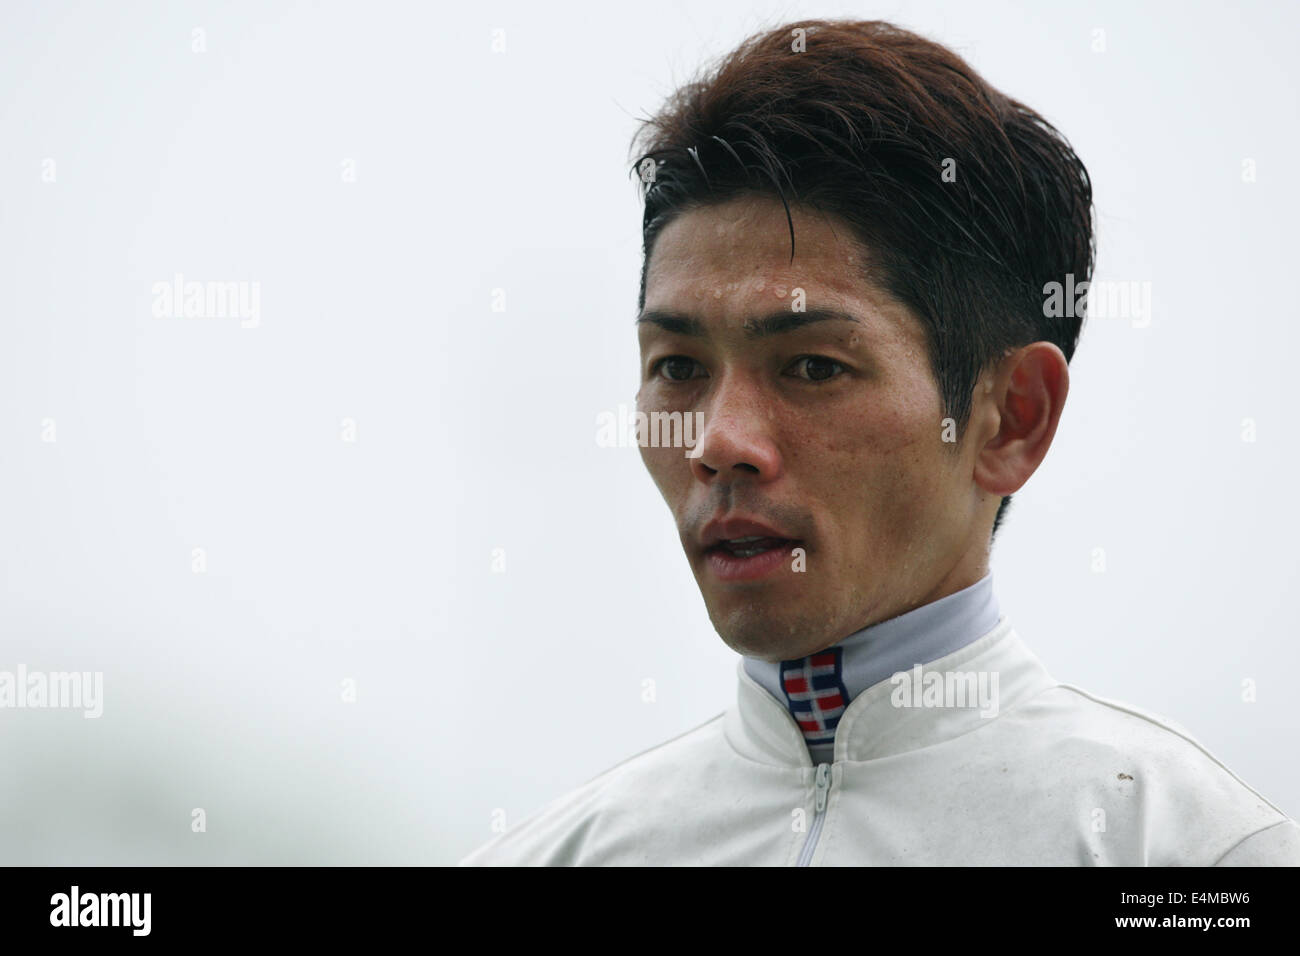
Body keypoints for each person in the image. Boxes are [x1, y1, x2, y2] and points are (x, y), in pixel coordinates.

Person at [459, 18, 1300, 866]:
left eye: (813, 368)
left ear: (1012, 418)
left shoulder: (1195, 857)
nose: (718, 441)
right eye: (677, 366)